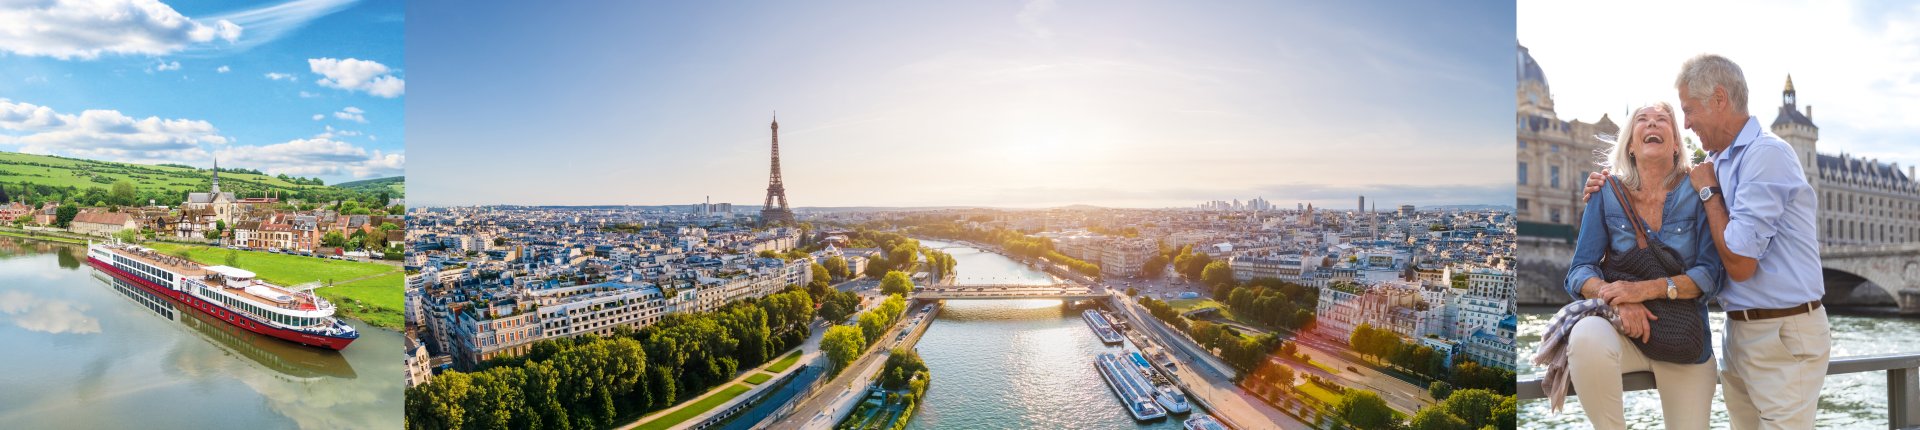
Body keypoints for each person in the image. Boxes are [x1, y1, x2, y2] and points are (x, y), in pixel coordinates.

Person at [1583, 54, 1828, 429]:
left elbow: (1739, 265)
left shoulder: (1765, 155)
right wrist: (1605, 186)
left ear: (1719, 99)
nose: (1687, 122)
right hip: (1740, 332)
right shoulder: (1717, 160)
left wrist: (1709, 193)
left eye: (1688, 110)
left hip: (1783, 332)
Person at [1558, 103, 1723, 430]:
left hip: (1685, 341)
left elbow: (1710, 275)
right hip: (1624, 333)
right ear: (1630, 144)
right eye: (1643, 120)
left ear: (1676, 143)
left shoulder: (1697, 191)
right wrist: (1618, 298)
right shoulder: (1606, 191)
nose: (1653, 124)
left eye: (1663, 120)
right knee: (1586, 334)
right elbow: (1579, 272)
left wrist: (1643, 290)